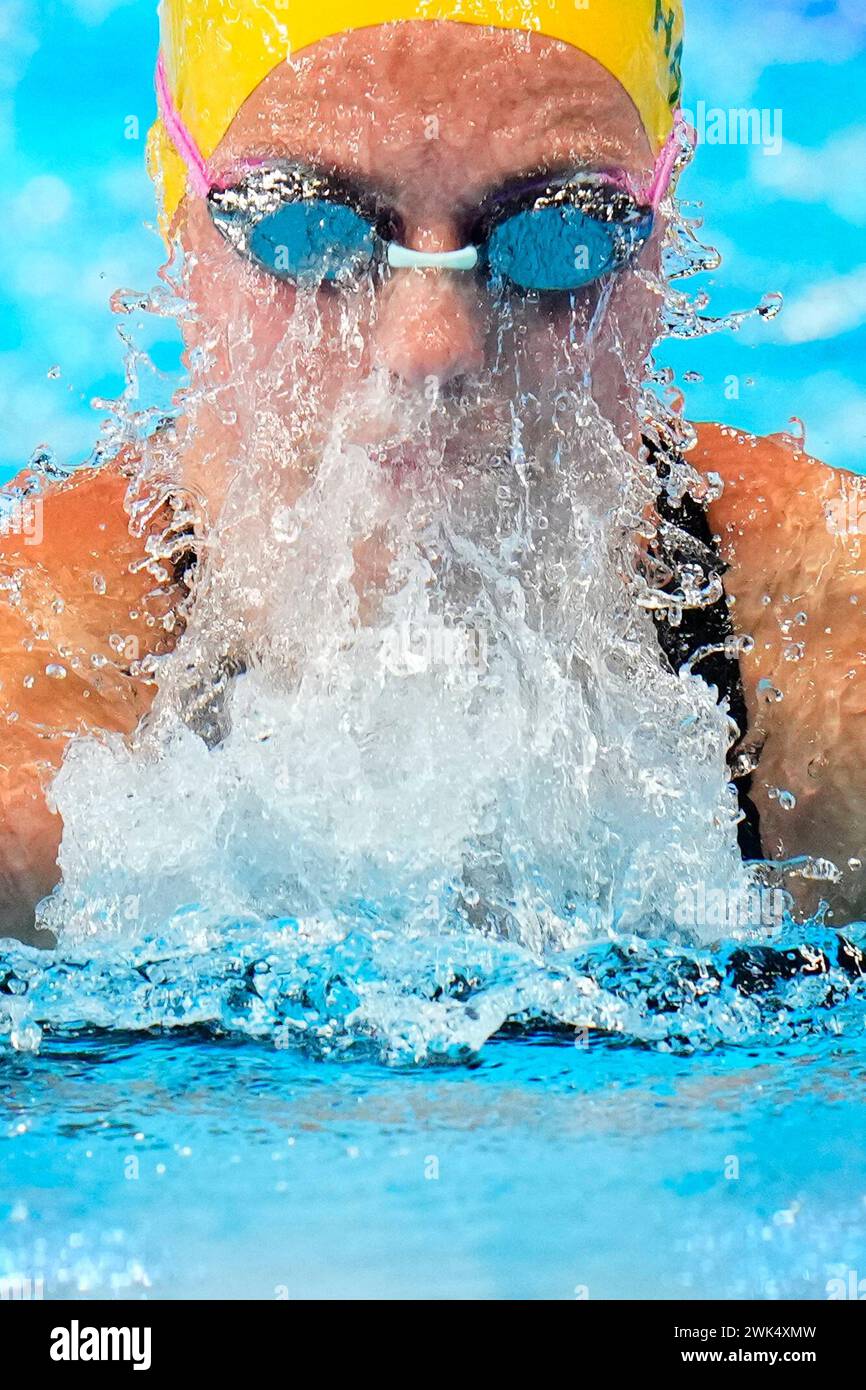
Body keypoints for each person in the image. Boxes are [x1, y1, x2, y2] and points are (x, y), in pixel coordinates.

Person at [1, 0, 863, 946]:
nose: (431, 346)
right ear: (179, 224)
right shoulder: (33, 701)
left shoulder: (825, 661)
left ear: (663, 231)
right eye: (308, 233)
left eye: (559, 237)